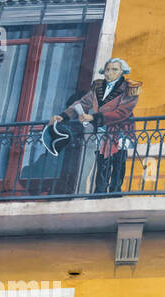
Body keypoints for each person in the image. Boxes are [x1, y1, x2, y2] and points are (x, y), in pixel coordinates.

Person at [50, 57, 139, 195]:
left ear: (122, 72)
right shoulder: (98, 88)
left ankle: (115, 193)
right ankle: (100, 192)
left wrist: (93, 117)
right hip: (102, 131)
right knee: (102, 162)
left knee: (118, 163)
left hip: (120, 132)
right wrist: (64, 116)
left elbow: (122, 112)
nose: (110, 73)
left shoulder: (129, 89)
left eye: (114, 69)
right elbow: (82, 103)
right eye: (107, 69)